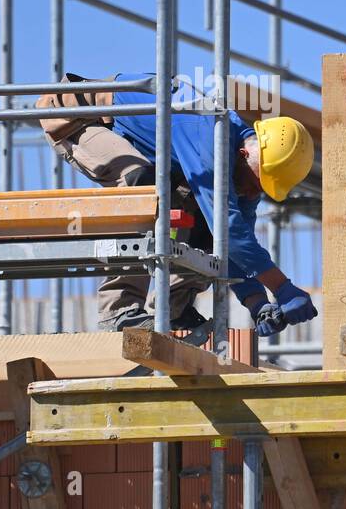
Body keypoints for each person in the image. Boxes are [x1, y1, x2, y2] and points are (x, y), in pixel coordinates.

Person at [36, 72, 316, 335]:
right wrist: (282, 287)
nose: (254, 194)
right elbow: (230, 230)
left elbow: (237, 245)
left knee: (204, 225)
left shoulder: (248, 173)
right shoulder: (208, 131)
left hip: (139, 146)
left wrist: (257, 304)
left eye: (263, 190)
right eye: (256, 185)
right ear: (244, 154)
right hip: (84, 117)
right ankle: (118, 310)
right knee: (142, 185)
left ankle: (173, 310)